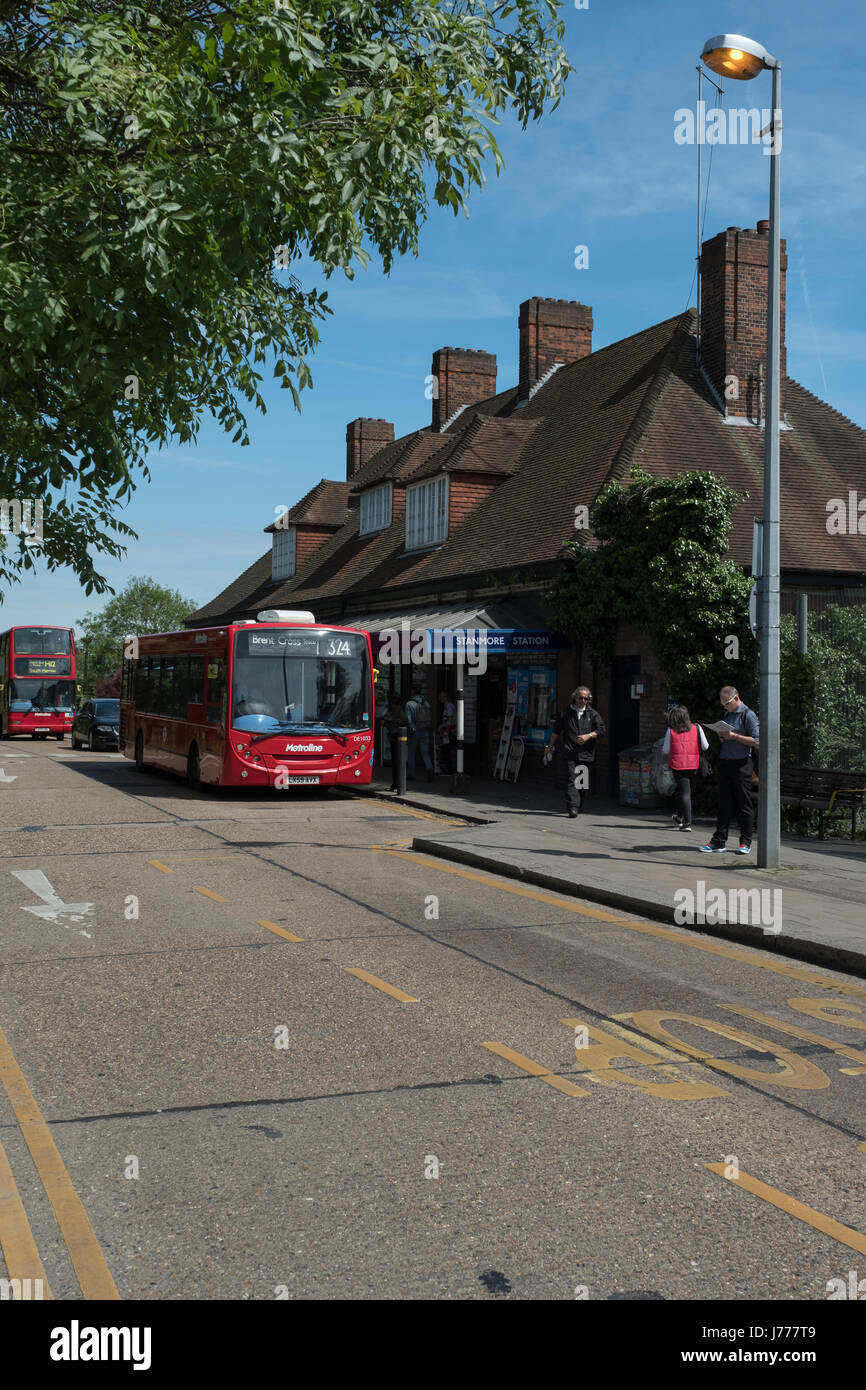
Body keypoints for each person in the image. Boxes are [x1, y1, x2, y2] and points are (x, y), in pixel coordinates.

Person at [700, 685, 760, 855]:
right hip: (726, 761)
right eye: (723, 704)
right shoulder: (727, 714)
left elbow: (757, 741)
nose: (725, 707)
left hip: (742, 763)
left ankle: (745, 842)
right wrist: (722, 736)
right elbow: (727, 738)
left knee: (744, 803)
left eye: (727, 703)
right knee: (724, 803)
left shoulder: (748, 715)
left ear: (736, 698)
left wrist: (735, 737)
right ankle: (719, 841)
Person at [547, 686, 605, 817]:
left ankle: (579, 804)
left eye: (586, 698)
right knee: (572, 779)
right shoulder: (566, 712)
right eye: (581, 698)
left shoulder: (592, 714)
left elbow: (601, 730)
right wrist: (550, 746)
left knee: (582, 782)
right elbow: (557, 731)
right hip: (570, 752)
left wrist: (588, 736)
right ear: (574, 697)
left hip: (586, 753)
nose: (583, 701)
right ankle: (573, 807)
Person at [663, 705, 708, 832]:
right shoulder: (697, 728)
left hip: (678, 765)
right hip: (693, 764)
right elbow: (705, 747)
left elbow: (665, 750)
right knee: (683, 790)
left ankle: (687, 823)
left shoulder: (671, 730)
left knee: (684, 792)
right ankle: (679, 817)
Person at [405, 684, 434, 782]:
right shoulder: (426, 703)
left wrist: (412, 729)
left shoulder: (409, 704)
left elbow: (408, 720)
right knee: (425, 752)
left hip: (415, 731)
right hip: (425, 730)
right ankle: (429, 769)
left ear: (413, 692)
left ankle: (411, 774)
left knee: (411, 753)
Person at [383, 694, 409, 792]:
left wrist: (391, 719)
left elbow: (404, 721)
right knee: (395, 763)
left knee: (397, 762)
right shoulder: (393, 709)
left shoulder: (398, 709)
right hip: (394, 738)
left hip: (398, 740)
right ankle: (395, 784)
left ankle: (398, 785)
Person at [437, 690, 456, 775]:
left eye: (444, 696)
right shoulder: (446, 706)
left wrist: (446, 731)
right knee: (445, 750)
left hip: (450, 731)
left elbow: (449, 720)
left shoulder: (449, 706)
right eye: (440, 696)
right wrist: (441, 727)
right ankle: (446, 769)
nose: (441, 698)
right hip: (446, 730)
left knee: (447, 750)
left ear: (447, 697)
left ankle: (449, 770)